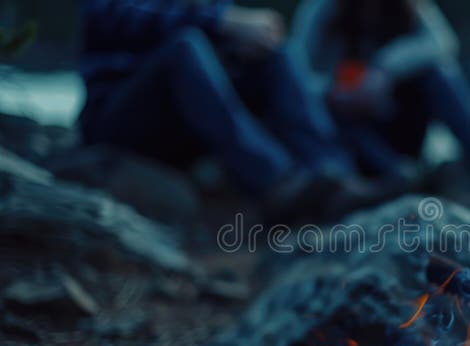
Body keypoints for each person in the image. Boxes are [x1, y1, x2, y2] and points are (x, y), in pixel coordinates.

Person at [79, 0, 371, 215]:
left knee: (278, 52)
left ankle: (334, 175)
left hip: (183, 116)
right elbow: (114, 18)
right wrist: (223, 21)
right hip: (116, 117)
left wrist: (236, 45)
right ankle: (277, 183)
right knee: (185, 46)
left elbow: (206, 28)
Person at [290, 0, 470, 211]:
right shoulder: (322, 9)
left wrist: (385, 70)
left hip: (398, 123)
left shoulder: (407, 7)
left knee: (438, 74)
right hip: (351, 136)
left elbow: (443, 42)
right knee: (331, 113)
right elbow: (296, 77)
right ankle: (399, 179)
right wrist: (336, 93)